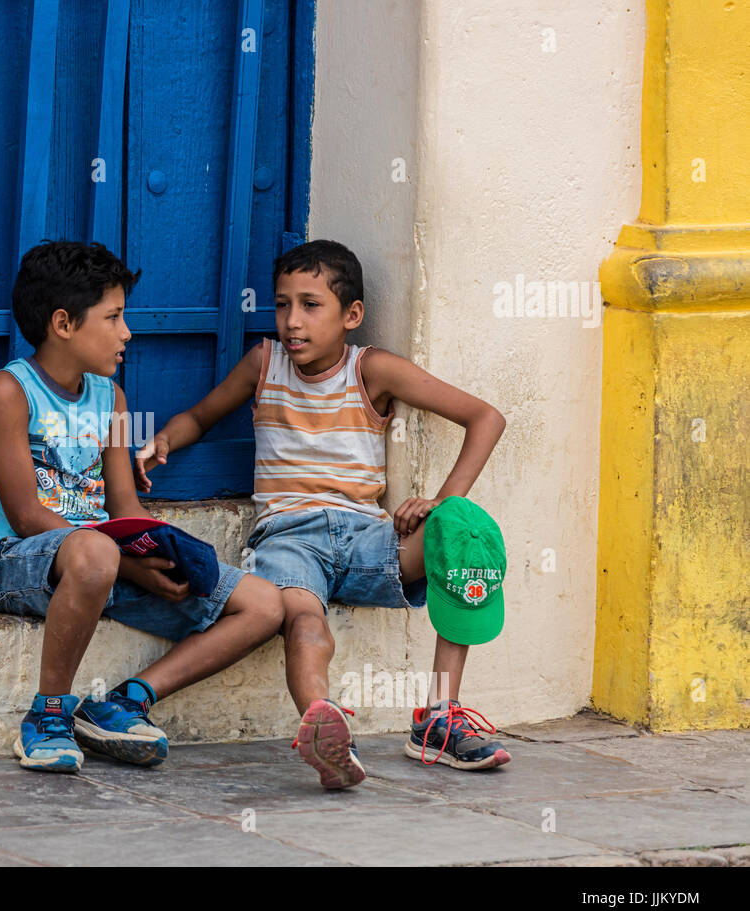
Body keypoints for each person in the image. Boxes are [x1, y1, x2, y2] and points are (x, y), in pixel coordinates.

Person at [135, 239, 511, 788]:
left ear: (351, 315)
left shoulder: (372, 369)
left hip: (370, 540)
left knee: (464, 533)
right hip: (289, 538)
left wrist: (442, 501)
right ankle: (326, 727)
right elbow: (202, 414)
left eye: (310, 305)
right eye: (282, 304)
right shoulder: (264, 363)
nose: (292, 321)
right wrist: (165, 438)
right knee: (304, 620)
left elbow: (486, 417)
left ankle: (439, 716)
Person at [0, 239, 284, 773]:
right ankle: (47, 716)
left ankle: (124, 702)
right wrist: (121, 559)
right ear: (64, 324)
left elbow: (122, 503)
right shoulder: (10, 392)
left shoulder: (110, 398)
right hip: (22, 560)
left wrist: (156, 555)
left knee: (266, 604)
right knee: (95, 554)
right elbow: (24, 515)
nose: (127, 333)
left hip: (106, 561)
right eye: (113, 317)